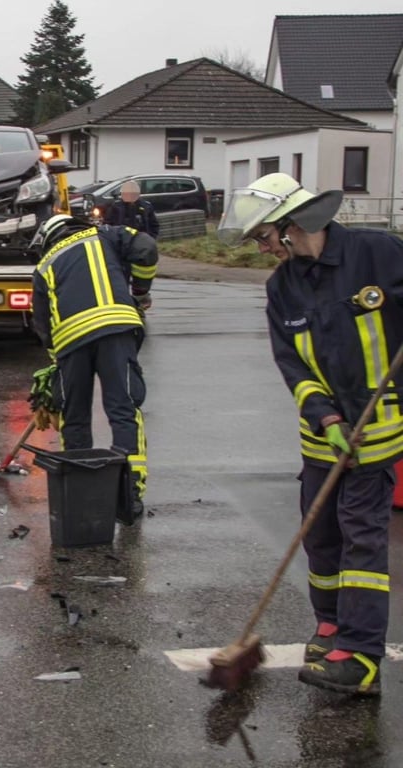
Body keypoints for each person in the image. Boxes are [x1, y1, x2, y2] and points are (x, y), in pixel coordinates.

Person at [217, 172, 403, 696]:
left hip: (378, 431)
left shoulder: (378, 254)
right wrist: (325, 417)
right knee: (320, 535)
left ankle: (361, 655)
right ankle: (330, 625)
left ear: (292, 223)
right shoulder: (283, 287)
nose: (262, 248)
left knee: (361, 539)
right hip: (323, 435)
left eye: (264, 236)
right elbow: (292, 364)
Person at [31, 214, 158, 516]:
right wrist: (140, 292)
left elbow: (43, 323)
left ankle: (82, 493)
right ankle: (129, 494)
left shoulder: (44, 266)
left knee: (74, 417)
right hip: (116, 331)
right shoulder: (108, 235)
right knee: (123, 410)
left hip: (70, 342)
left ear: (48, 239)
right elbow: (146, 248)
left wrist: (56, 363)